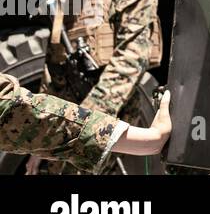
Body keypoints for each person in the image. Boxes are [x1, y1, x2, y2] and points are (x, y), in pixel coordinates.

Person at [28, 0, 163, 174]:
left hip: (100, 120)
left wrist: (86, 121)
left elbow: (130, 61)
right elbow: (52, 68)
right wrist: (40, 140)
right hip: (66, 124)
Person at [2, 74, 171, 174]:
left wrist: (98, 120)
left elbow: (129, 62)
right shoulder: (62, 14)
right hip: (73, 129)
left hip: (103, 118)